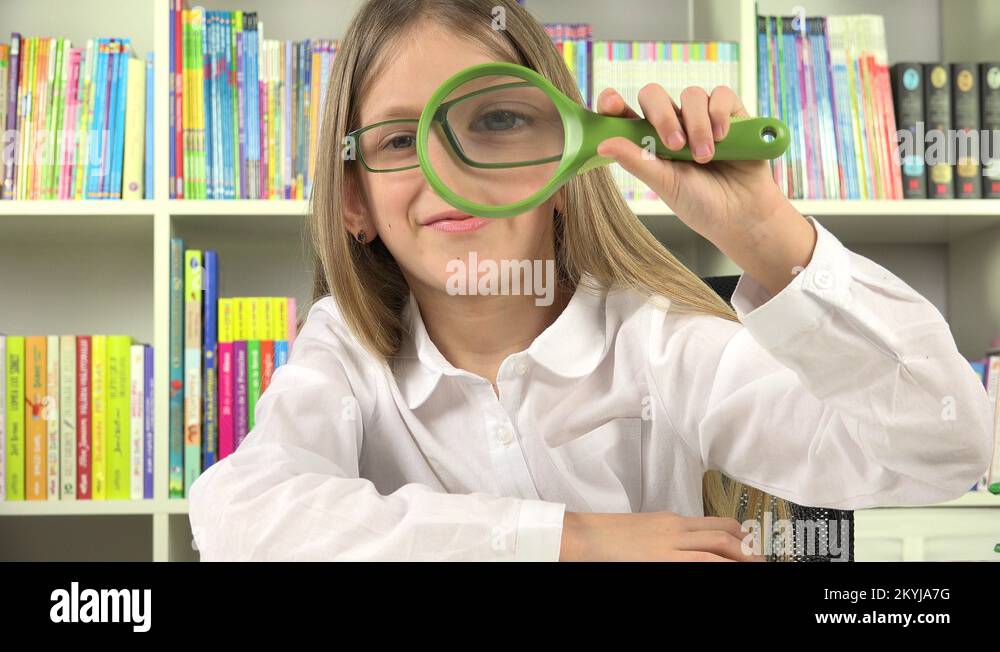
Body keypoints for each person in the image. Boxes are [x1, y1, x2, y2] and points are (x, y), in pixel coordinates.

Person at [187, 0, 993, 561]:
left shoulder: (658, 342)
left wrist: (766, 235)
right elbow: (240, 525)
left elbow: (948, 446)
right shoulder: (347, 354)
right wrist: (573, 542)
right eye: (401, 140)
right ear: (355, 200)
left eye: (497, 122)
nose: (451, 168)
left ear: (568, 162)